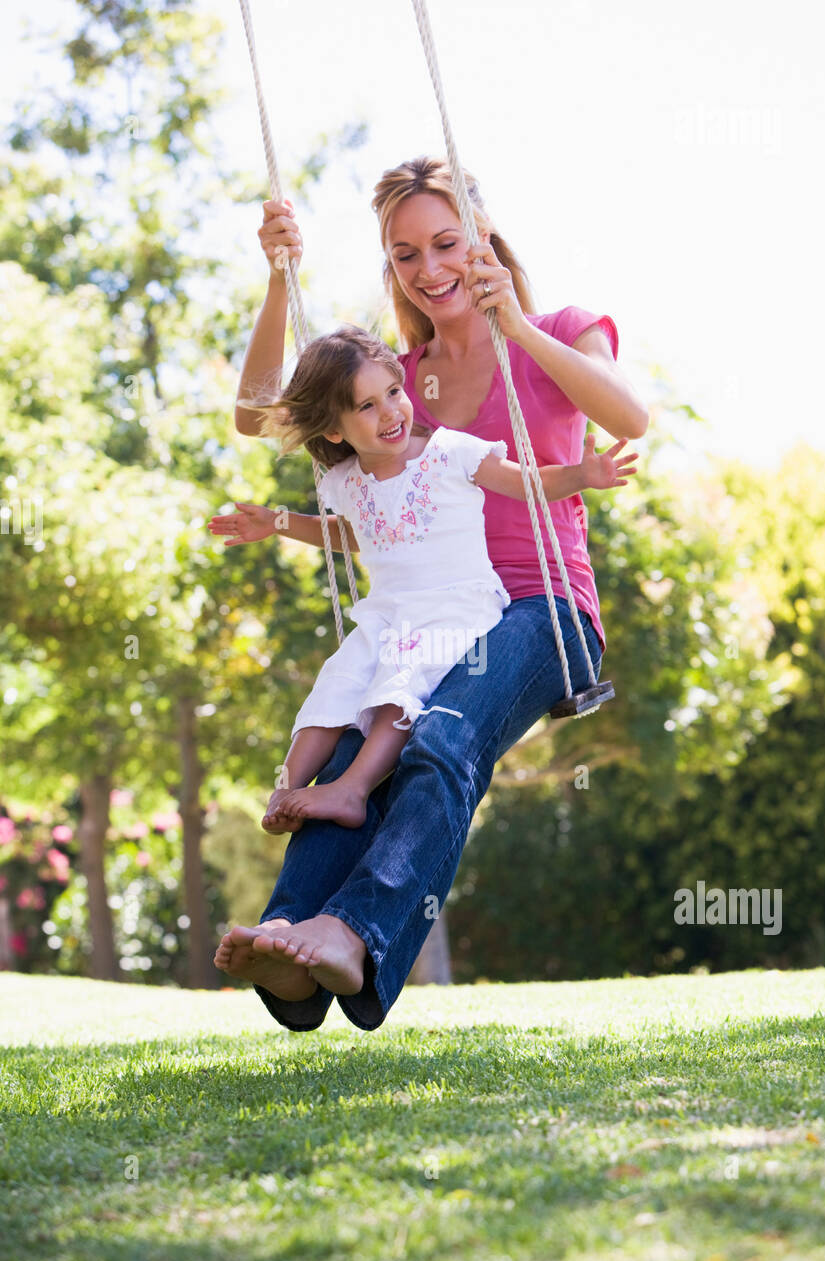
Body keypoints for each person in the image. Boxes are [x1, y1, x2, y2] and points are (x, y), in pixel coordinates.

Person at [213, 155, 649, 1029]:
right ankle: (291, 942)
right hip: (424, 620)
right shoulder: (396, 380)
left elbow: (630, 416)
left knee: (438, 739)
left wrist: (515, 325)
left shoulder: (560, 326)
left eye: (447, 243)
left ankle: (355, 932)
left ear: (483, 241)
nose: (430, 268)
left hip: (541, 613)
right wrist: (276, 280)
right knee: (346, 761)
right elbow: (259, 414)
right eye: (405, 254)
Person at [208, 326, 636, 859]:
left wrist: (582, 474)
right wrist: (277, 522)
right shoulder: (343, 479)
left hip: (457, 608)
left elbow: (527, 484)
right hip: (387, 613)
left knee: (398, 689)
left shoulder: (449, 452)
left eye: (393, 391)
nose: (390, 412)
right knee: (335, 686)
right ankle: (284, 791)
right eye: (367, 406)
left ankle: (351, 789)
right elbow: (350, 533)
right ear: (336, 431)